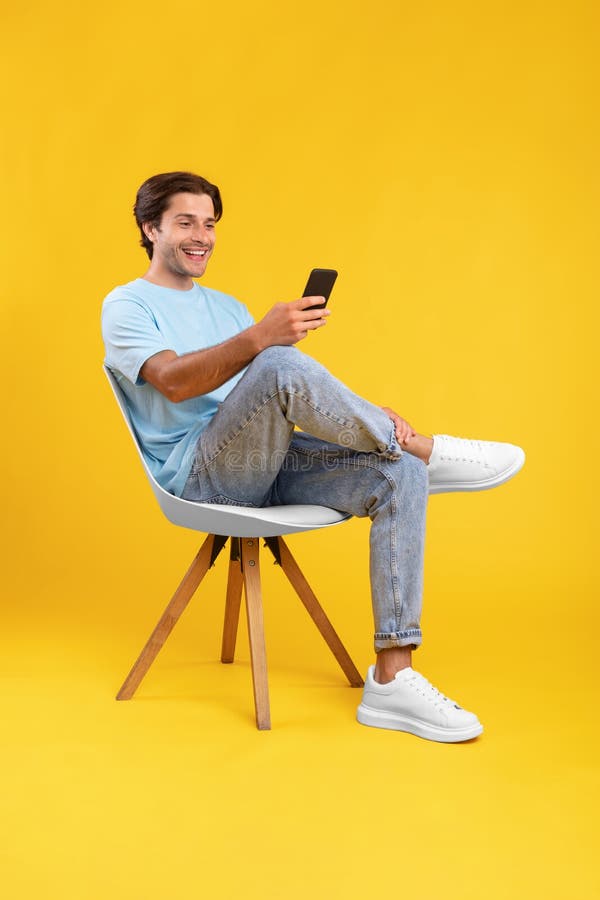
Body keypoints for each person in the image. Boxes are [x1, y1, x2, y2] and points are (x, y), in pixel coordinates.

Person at [102, 171, 525, 743]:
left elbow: (272, 399)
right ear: (151, 229)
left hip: (266, 460)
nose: (201, 236)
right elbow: (174, 383)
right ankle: (428, 448)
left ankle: (393, 679)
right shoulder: (125, 304)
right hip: (202, 477)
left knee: (396, 475)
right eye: (185, 223)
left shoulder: (227, 308)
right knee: (277, 363)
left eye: (210, 224)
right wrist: (262, 339)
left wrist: (367, 410)